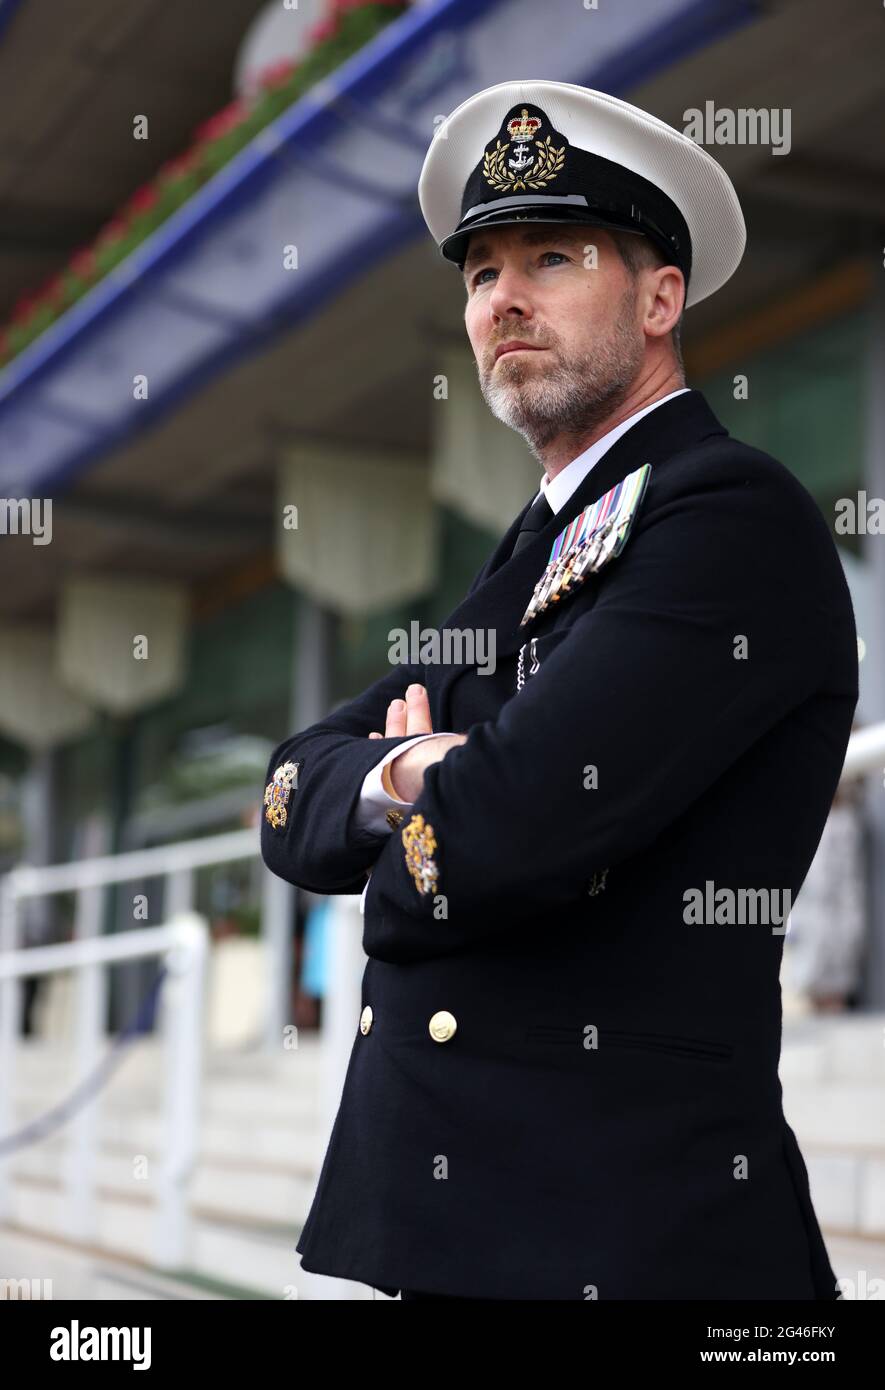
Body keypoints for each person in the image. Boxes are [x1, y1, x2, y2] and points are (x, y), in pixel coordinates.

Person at [261, 80, 858, 1300]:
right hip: (476, 1231)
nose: (503, 298)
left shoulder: (725, 516)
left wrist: (418, 792)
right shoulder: (527, 555)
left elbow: (514, 825)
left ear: (659, 297)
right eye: (480, 272)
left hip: (629, 1235)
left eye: (553, 254)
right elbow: (287, 794)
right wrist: (417, 775)